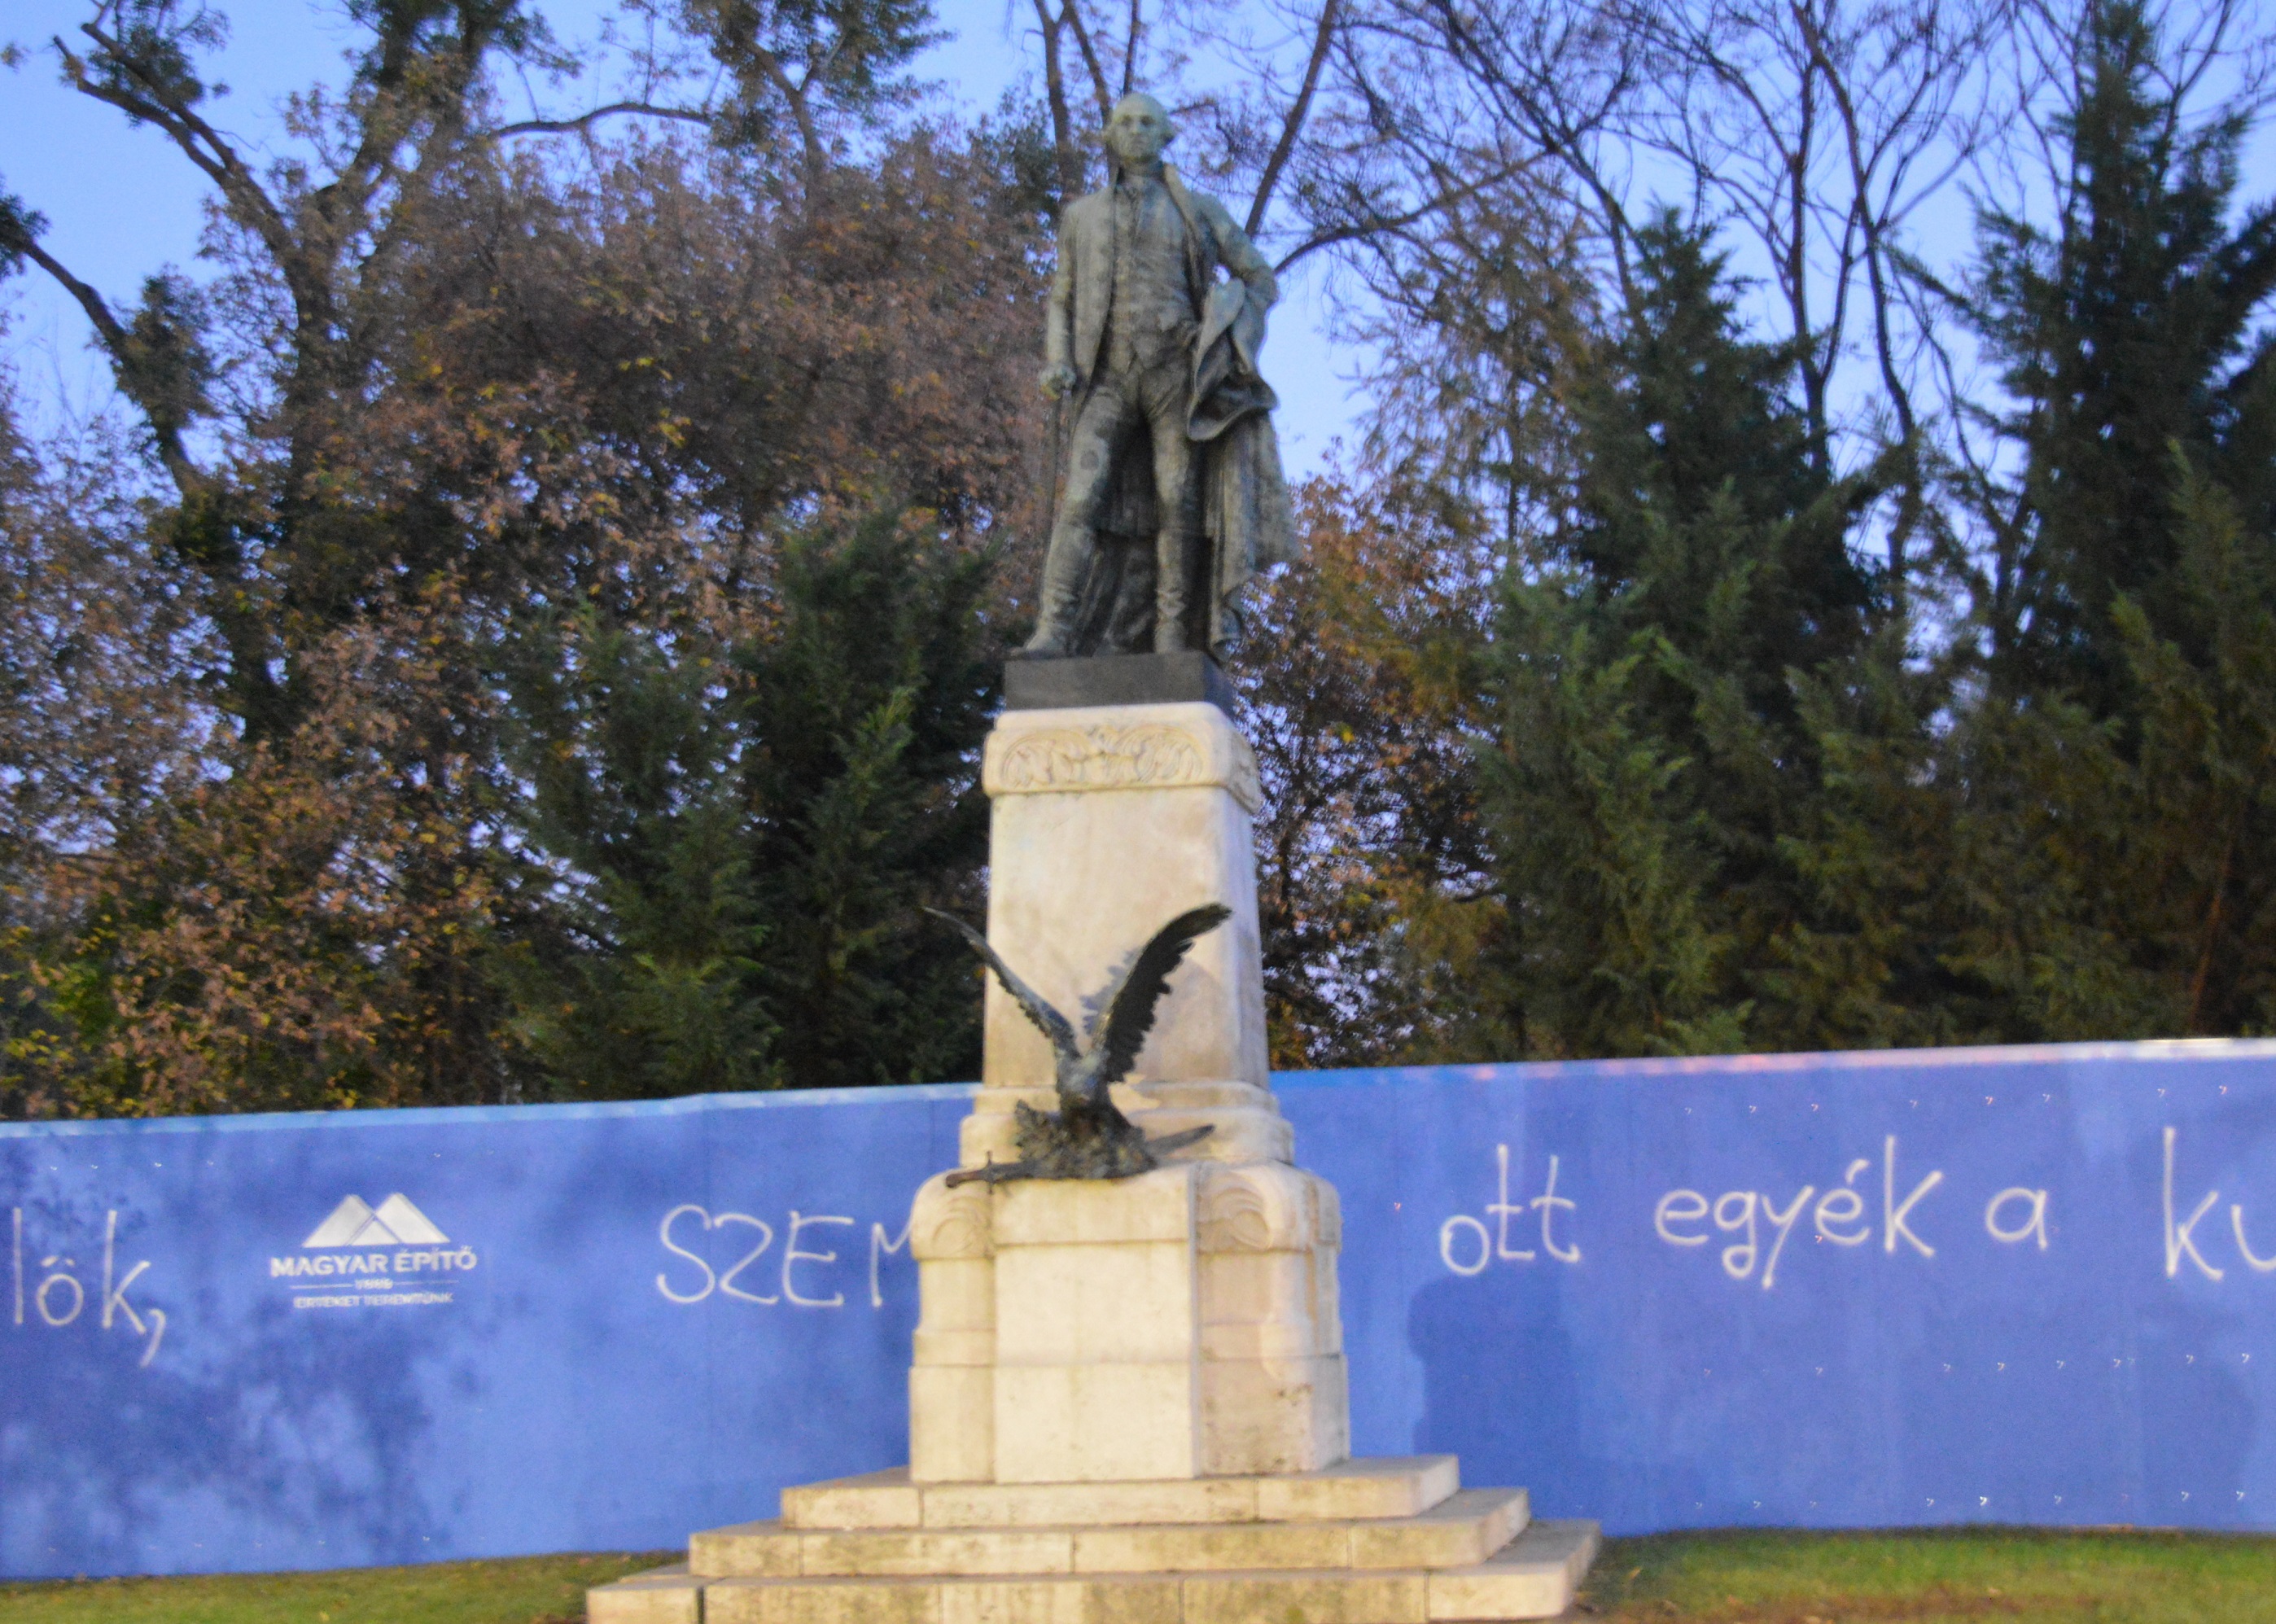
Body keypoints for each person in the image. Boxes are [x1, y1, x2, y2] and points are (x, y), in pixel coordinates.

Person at [1021, 94, 1292, 659]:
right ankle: (1053, 631)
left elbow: (1260, 278)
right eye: (1125, 123)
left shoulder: (1200, 210)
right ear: (1109, 135)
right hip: (1106, 377)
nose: (1136, 130)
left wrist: (1226, 325)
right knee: (1080, 501)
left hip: (1176, 377)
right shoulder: (1081, 216)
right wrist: (1057, 358)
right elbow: (1062, 298)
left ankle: (1171, 636)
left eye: (1148, 122)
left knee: (1177, 501)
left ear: (1167, 134)